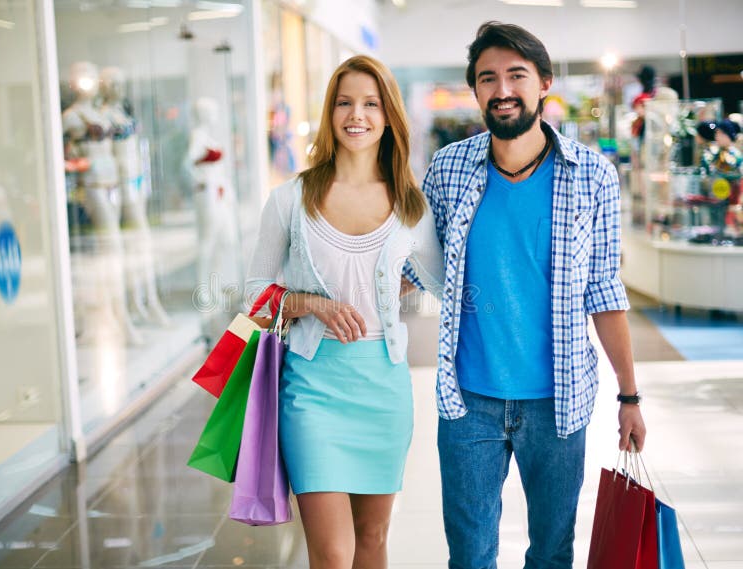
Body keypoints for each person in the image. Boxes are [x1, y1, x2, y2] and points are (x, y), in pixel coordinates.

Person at [418, 22, 647, 569]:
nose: (502, 90)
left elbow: (604, 291)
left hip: (557, 403)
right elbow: (416, 264)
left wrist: (630, 397)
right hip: (468, 401)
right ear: (475, 90)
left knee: (551, 553)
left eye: (516, 75)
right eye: (487, 78)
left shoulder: (593, 176)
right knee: (470, 556)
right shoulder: (447, 169)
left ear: (544, 83)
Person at [246, 55, 443, 569]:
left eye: (371, 104)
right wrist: (309, 303)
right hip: (313, 388)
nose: (357, 115)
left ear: (389, 116)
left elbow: (442, 279)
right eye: (344, 103)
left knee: (372, 539)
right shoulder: (290, 200)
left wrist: (390, 287)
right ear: (330, 113)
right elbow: (254, 296)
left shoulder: (410, 205)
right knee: (334, 554)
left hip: (384, 388)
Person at [62, 61, 142, 345]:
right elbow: (58, 156)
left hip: (113, 185)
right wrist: (76, 164)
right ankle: (121, 319)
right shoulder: (71, 117)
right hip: (93, 186)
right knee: (112, 251)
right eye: (82, 77)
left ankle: (113, 315)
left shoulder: (100, 113)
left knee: (114, 253)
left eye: (92, 76)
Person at [100, 66, 170, 327]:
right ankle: (130, 309)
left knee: (142, 245)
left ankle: (146, 302)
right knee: (123, 248)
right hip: (117, 184)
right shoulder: (104, 115)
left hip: (135, 180)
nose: (117, 88)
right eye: (112, 83)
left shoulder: (122, 112)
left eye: (120, 83)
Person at [187, 97, 241, 342]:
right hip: (207, 193)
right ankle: (204, 288)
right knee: (207, 242)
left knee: (225, 240)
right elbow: (188, 164)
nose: (213, 115)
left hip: (219, 193)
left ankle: (214, 285)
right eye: (209, 111)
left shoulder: (208, 135)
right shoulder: (197, 136)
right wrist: (202, 180)